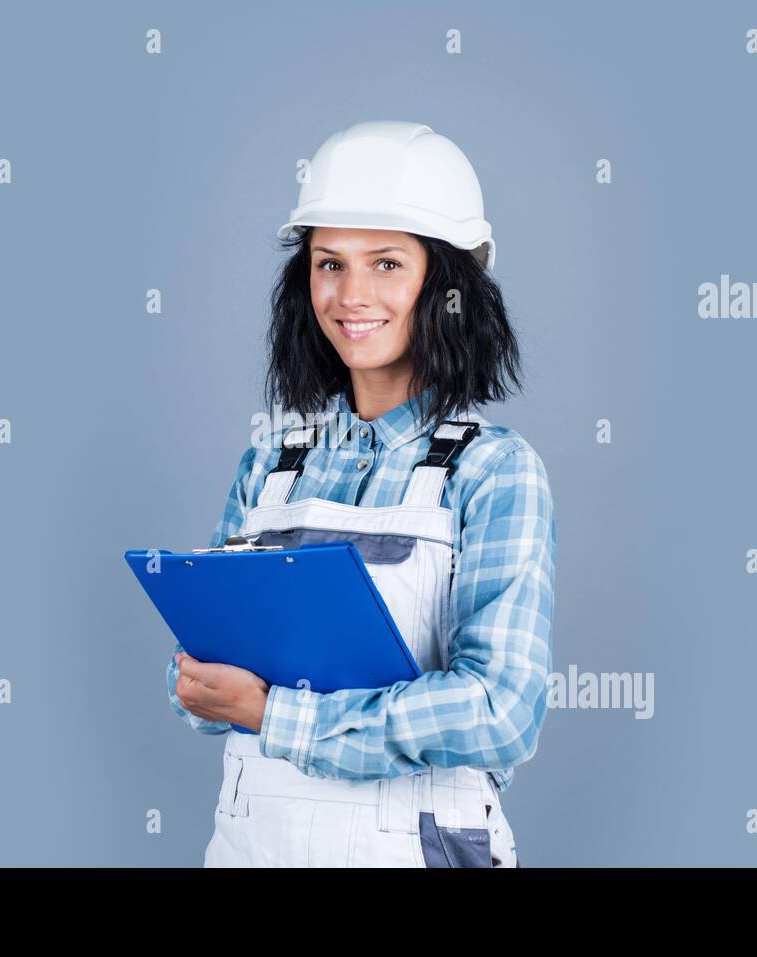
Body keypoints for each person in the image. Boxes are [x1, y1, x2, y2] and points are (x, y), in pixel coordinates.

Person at [166, 121, 556, 867]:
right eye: (329, 264)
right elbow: (201, 683)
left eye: (386, 264)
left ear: (446, 286)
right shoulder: (270, 464)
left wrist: (277, 715)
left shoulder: (494, 472)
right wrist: (196, 683)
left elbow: (500, 712)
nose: (352, 295)